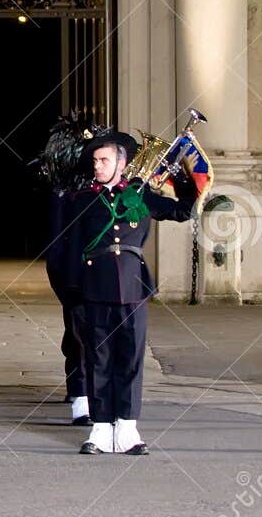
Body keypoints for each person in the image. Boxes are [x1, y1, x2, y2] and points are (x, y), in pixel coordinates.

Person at [66, 128, 199, 455]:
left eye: (104, 160)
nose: (97, 166)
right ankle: (100, 428)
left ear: (121, 163)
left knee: (130, 358)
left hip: (133, 286)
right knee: (99, 358)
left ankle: (126, 426)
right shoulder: (82, 200)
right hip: (95, 287)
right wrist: (73, 293)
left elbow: (182, 210)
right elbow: (71, 247)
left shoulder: (140, 194)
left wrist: (180, 170)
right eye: (95, 160)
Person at [32, 116, 97, 425]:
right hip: (74, 272)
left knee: (89, 333)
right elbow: (58, 245)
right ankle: (81, 390)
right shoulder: (65, 194)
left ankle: (90, 388)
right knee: (79, 331)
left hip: (106, 274)